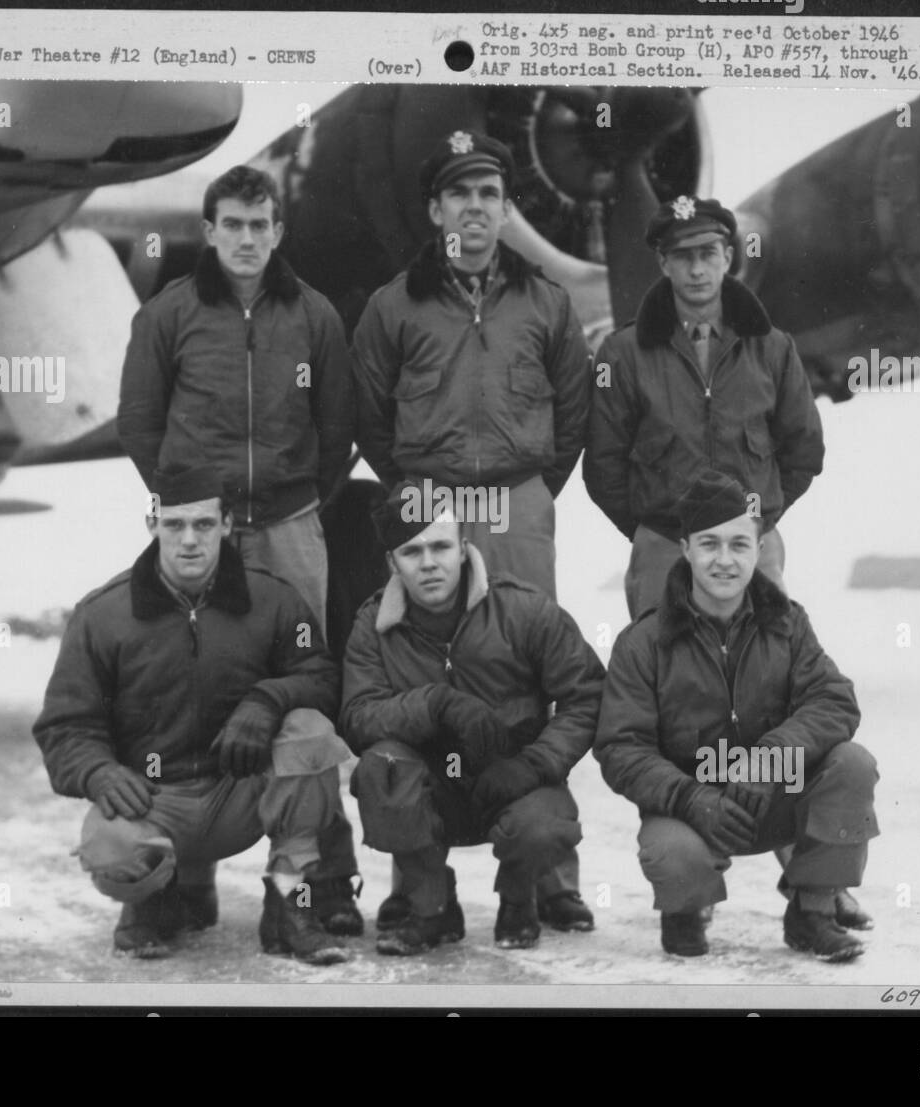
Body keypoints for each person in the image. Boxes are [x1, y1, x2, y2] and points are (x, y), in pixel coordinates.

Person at [351, 128, 595, 922]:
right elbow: (369, 413)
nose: (477, 207)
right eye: (461, 193)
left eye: (490, 193)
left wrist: (528, 489)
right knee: (418, 667)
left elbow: (572, 409)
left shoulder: (546, 302)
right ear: (435, 209)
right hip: (430, 497)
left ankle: (550, 871)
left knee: (532, 665)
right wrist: (419, 494)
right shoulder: (393, 304)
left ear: (505, 206)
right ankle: (417, 876)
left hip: (520, 499)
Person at [33, 463, 363, 964]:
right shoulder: (101, 615)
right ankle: (154, 901)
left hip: (241, 791)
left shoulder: (274, 599)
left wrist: (268, 699)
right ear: (152, 525)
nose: (190, 540)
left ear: (227, 525)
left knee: (309, 731)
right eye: (175, 524)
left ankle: (288, 904)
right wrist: (98, 771)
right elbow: (65, 725)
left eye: (204, 525)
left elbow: (321, 676)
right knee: (110, 845)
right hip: (156, 798)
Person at [593, 471, 879, 962]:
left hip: (772, 795)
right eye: (709, 544)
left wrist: (769, 758)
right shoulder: (642, 643)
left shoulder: (788, 623)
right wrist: (692, 798)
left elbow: (834, 700)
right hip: (692, 810)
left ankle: (812, 912)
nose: (724, 560)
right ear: (685, 548)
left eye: (738, 544)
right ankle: (687, 910)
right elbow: (621, 747)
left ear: (758, 547)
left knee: (851, 764)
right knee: (675, 863)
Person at [340, 481, 606, 955]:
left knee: (545, 824)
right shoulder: (372, 625)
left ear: (464, 548)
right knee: (380, 769)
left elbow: (588, 694)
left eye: (441, 546)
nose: (428, 563)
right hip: (431, 787)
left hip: (514, 778)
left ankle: (518, 899)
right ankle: (432, 908)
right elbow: (358, 716)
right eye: (411, 551)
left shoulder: (523, 610)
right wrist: (435, 703)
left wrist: (536, 763)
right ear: (392, 563)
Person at [117, 165, 354, 634]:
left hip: (290, 528)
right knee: (200, 662)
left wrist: (298, 496)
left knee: (301, 660)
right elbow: (138, 422)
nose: (247, 240)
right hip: (199, 528)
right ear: (209, 231)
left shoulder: (316, 316)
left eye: (259, 225)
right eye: (233, 225)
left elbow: (338, 423)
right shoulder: (165, 316)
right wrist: (187, 501)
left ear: (278, 232)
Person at [583, 195, 825, 620]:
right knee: (659, 675)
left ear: (728, 256)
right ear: (662, 263)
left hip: (753, 547)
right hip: (662, 547)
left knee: (765, 673)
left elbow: (804, 449)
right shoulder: (620, 354)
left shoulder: (773, 348)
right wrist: (650, 531)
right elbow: (603, 465)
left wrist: (756, 518)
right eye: (682, 256)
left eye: (707, 254)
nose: (696, 270)